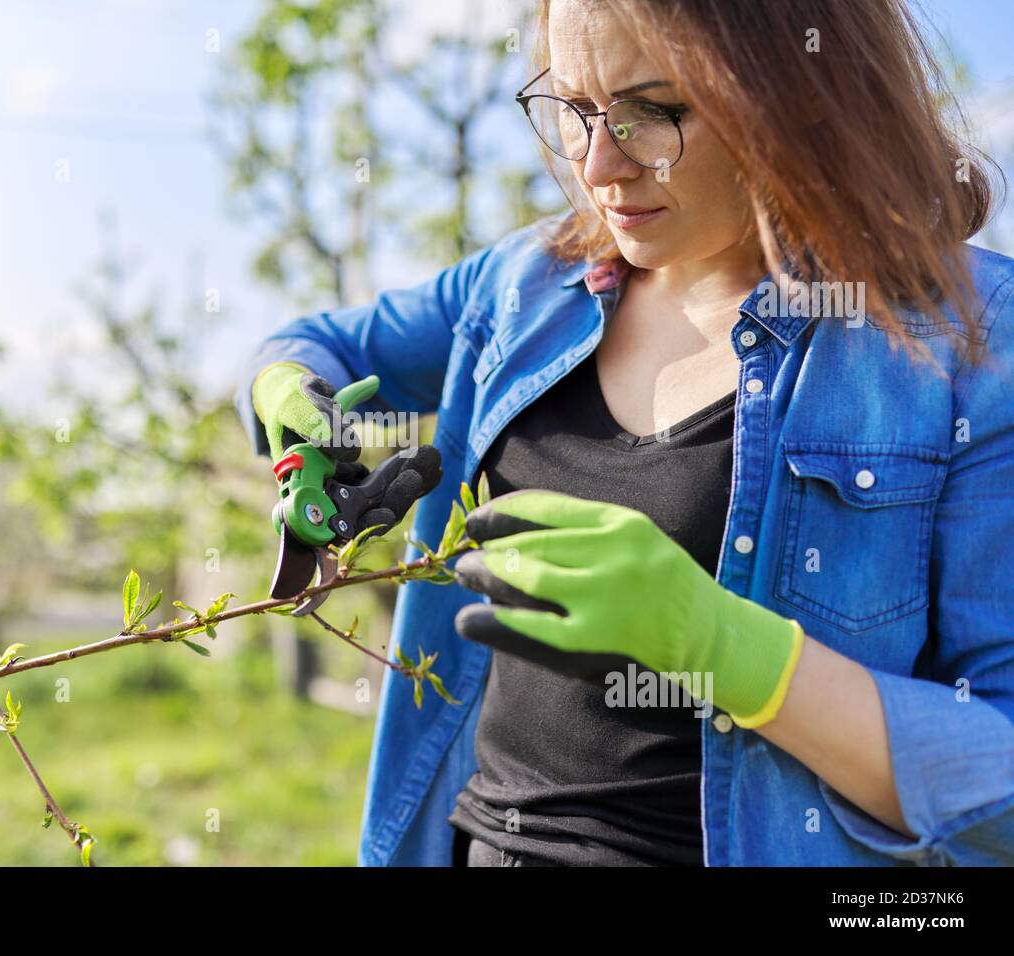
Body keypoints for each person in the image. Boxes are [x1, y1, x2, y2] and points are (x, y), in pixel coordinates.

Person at [235, 0, 1014, 866]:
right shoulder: (525, 286)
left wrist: (726, 650)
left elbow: (1002, 787)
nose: (599, 165)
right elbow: (321, 347)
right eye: (573, 109)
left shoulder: (975, 341)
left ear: (798, 91)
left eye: (653, 113)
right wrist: (292, 403)